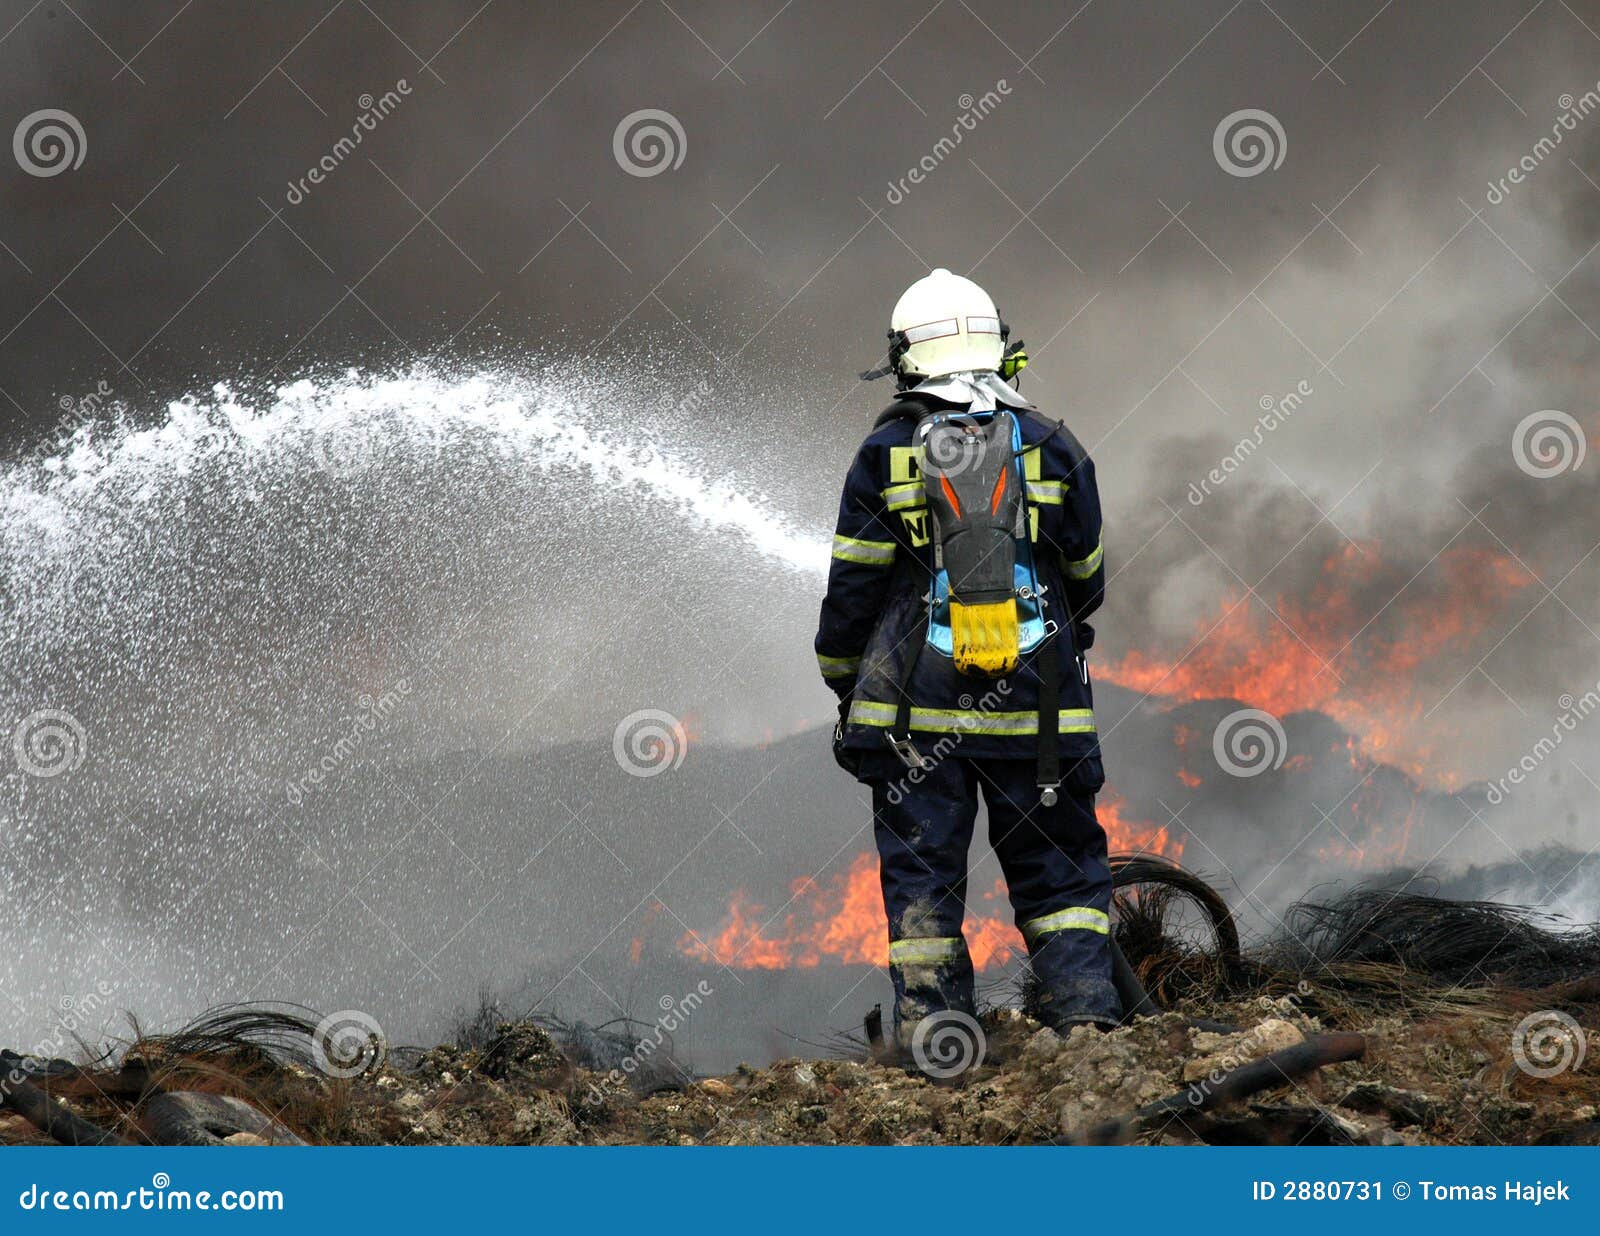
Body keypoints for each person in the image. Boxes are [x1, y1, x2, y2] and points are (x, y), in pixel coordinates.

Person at [815, 268, 1118, 1049]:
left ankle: (937, 1039)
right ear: (997, 345)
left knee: (923, 884)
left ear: (906, 357)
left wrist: (846, 683)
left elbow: (854, 591)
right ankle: (1086, 1023)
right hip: (1039, 714)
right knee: (1060, 877)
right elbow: (1086, 580)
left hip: (917, 724)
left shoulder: (885, 452)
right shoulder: (1051, 444)